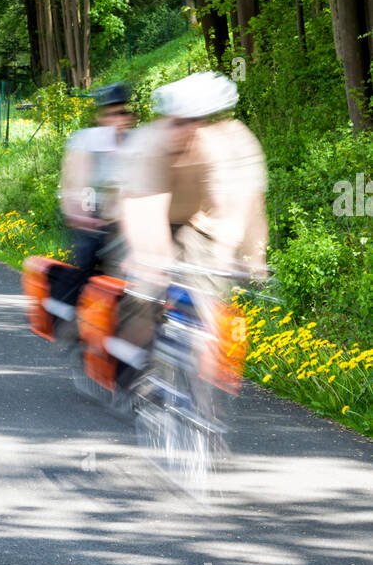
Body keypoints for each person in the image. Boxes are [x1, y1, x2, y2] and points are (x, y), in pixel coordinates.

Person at [107, 70, 268, 379]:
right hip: (152, 214)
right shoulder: (147, 146)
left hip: (198, 222)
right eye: (174, 121)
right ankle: (132, 366)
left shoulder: (227, 145)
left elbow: (237, 210)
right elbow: (143, 212)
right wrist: (151, 260)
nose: (182, 130)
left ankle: (201, 391)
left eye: (192, 122)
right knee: (144, 289)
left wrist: (244, 260)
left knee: (206, 297)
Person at [46, 82, 135, 331]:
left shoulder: (135, 142)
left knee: (131, 269)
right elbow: (75, 180)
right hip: (88, 209)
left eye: (123, 112)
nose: (119, 118)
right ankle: (65, 315)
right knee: (85, 256)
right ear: (101, 116)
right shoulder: (86, 140)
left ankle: (121, 323)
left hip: (123, 216)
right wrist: (80, 215)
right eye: (112, 113)